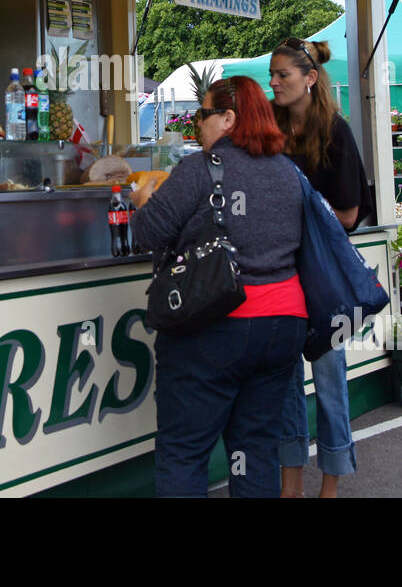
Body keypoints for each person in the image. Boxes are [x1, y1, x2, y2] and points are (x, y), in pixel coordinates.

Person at [130, 76, 307, 498]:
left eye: (203, 114)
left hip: (215, 326)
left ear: (228, 118)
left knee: (184, 453)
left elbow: (147, 233)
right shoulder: (288, 170)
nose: (196, 124)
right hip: (283, 325)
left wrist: (142, 200)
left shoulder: (200, 168)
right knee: (255, 450)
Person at [268, 37, 369, 499]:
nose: (274, 83)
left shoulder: (336, 130)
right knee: (284, 381)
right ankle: (291, 486)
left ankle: (329, 487)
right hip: (279, 273)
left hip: (323, 276)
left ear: (309, 79)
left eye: (282, 75)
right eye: (271, 75)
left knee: (329, 381)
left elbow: (349, 215)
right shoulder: (267, 126)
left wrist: (296, 209)